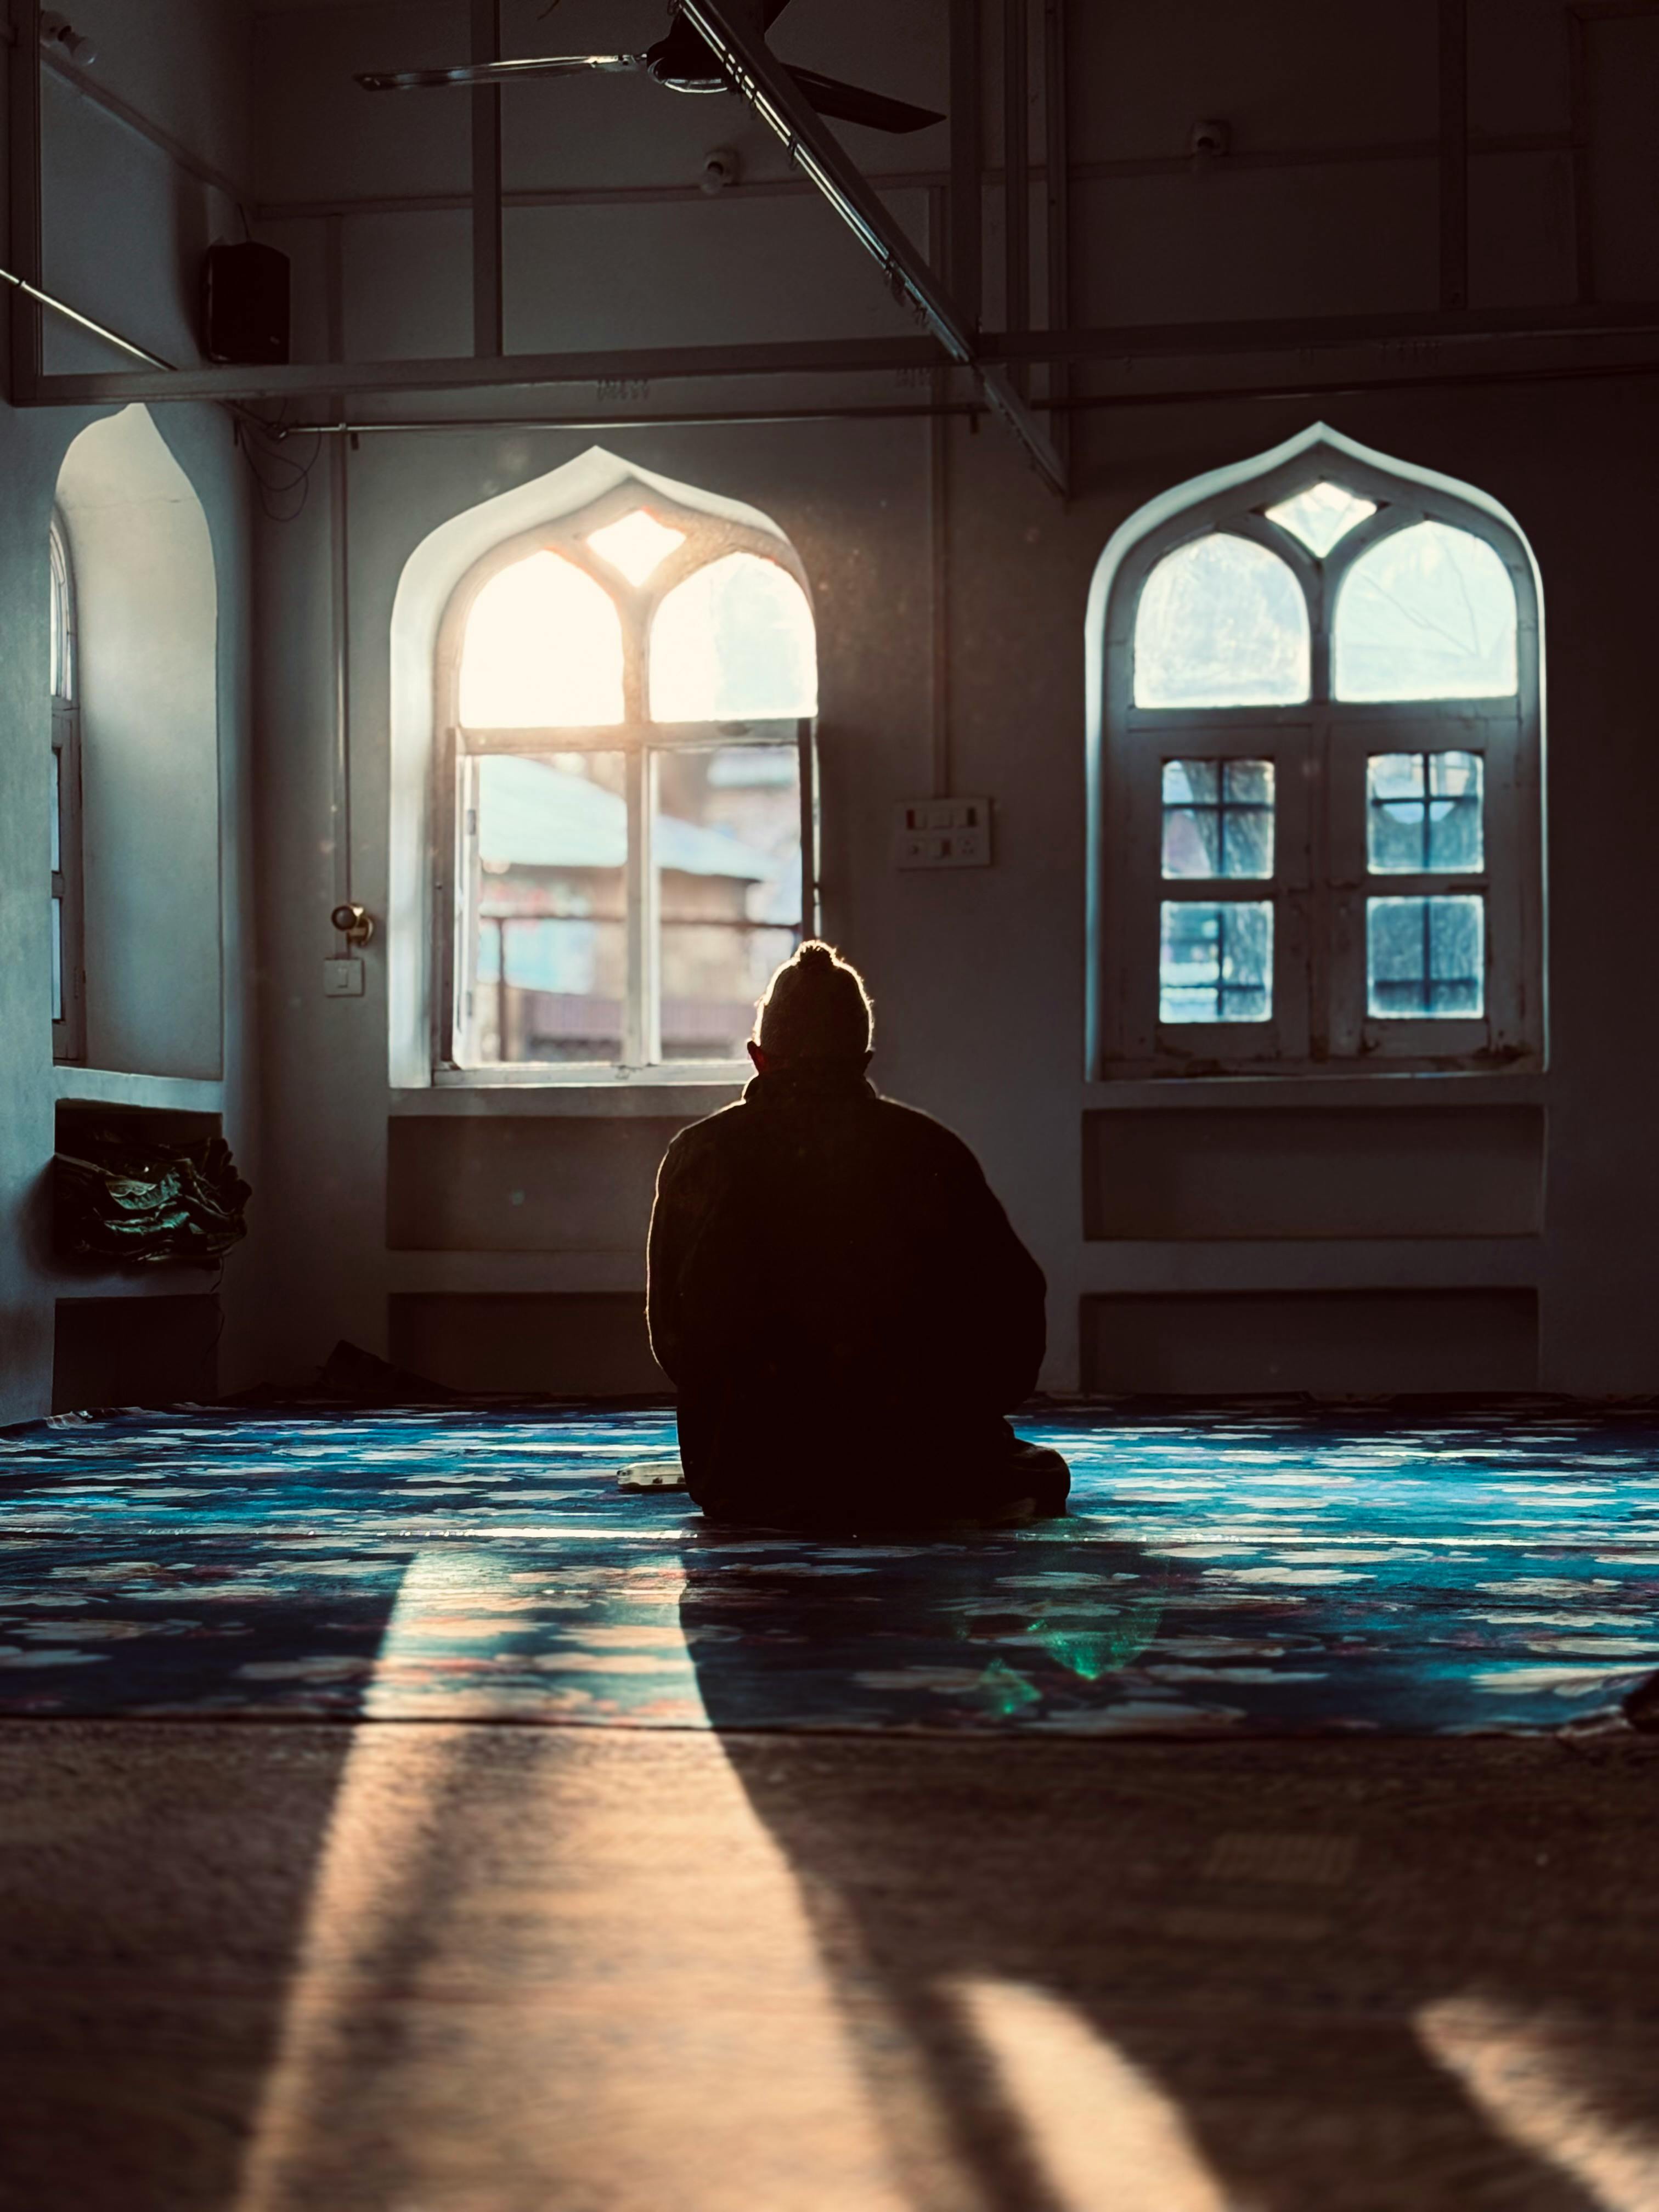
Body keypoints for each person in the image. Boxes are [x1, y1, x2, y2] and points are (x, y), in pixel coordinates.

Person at [646, 940, 1069, 1529]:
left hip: (749, 1473)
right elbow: (1014, 1312)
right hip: (912, 1462)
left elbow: (674, 1339)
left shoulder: (700, 1155)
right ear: (863, 1060)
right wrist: (954, 1412)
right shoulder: (929, 1150)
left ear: (758, 1057)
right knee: (1025, 1470)